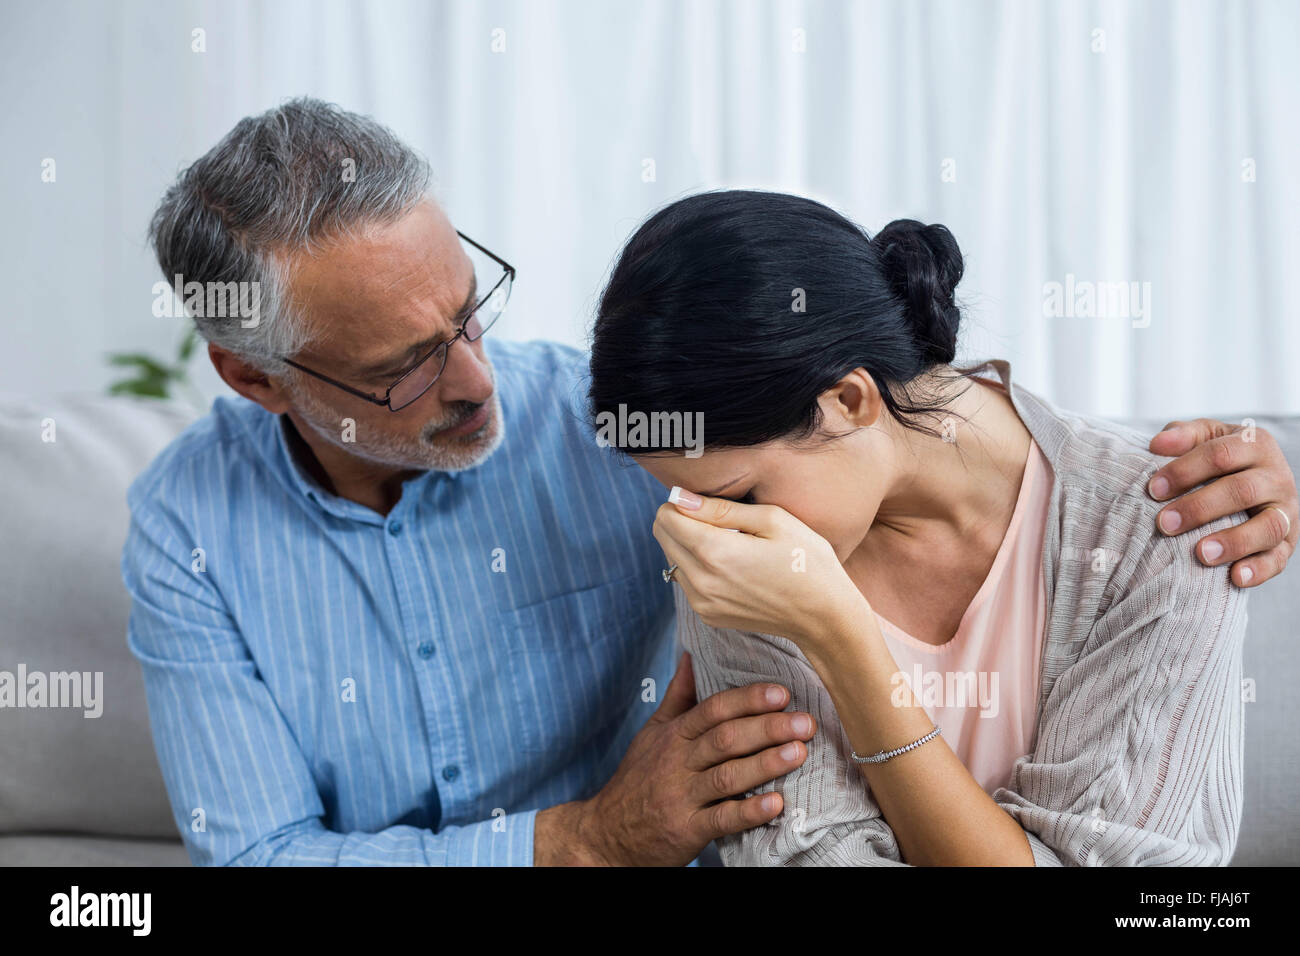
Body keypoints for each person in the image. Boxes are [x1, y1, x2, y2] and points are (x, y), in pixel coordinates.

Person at [124, 100, 1295, 866]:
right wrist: (578, 840)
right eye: (403, 369)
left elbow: (891, 412)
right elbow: (255, 856)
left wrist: (1242, 472)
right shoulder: (187, 529)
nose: (475, 379)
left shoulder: (640, 427)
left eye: (470, 309)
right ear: (253, 375)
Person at [586, 189, 1299, 865]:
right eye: (688, 500)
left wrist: (841, 640)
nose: (711, 539)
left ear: (849, 400)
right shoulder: (746, 568)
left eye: (737, 495)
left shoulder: (1165, 527)